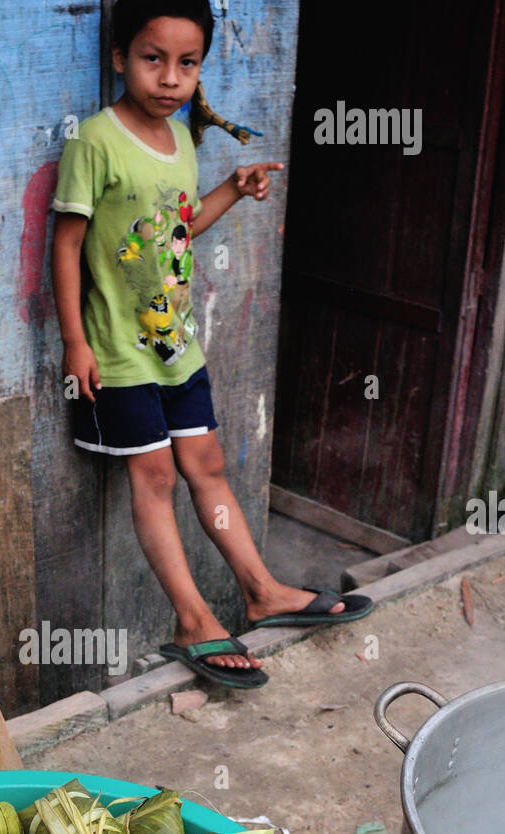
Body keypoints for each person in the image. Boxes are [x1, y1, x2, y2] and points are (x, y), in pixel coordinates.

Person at [50, 0, 371, 688]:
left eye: (187, 63)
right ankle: (193, 619)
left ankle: (261, 590)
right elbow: (67, 244)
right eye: (153, 58)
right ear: (119, 58)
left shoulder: (182, 142)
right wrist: (75, 342)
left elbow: (180, 229)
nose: (170, 78)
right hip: (118, 355)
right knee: (155, 477)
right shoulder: (95, 141)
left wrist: (231, 187)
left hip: (177, 351)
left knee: (209, 467)